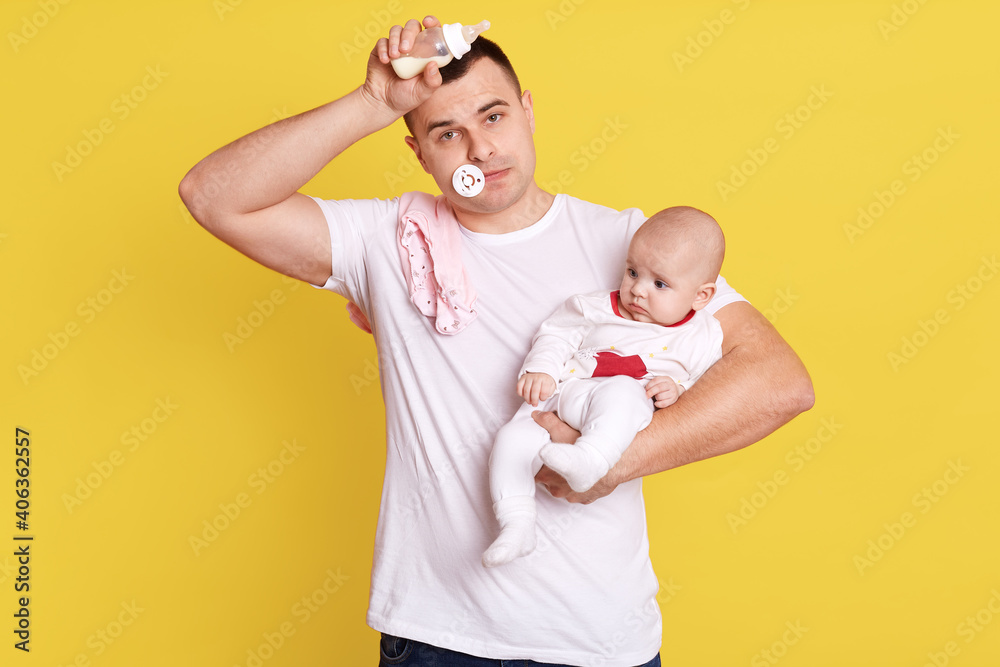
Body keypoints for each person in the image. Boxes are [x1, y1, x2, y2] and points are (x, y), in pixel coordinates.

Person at [178, 15, 814, 666]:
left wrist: (621, 458)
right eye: (447, 133)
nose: (481, 150)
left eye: (493, 116)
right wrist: (373, 101)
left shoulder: (633, 249)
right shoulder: (389, 243)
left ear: (528, 112)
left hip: (598, 639)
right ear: (419, 153)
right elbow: (213, 196)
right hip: (437, 637)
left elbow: (779, 382)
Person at [483, 206, 727, 568]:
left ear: (701, 296)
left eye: (659, 284)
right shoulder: (594, 307)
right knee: (511, 439)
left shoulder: (701, 335)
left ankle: (591, 458)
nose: (637, 291)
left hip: (621, 404)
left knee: (623, 392)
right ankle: (515, 522)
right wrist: (542, 369)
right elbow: (556, 335)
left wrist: (678, 388)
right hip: (566, 393)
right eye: (633, 272)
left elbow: (705, 384)